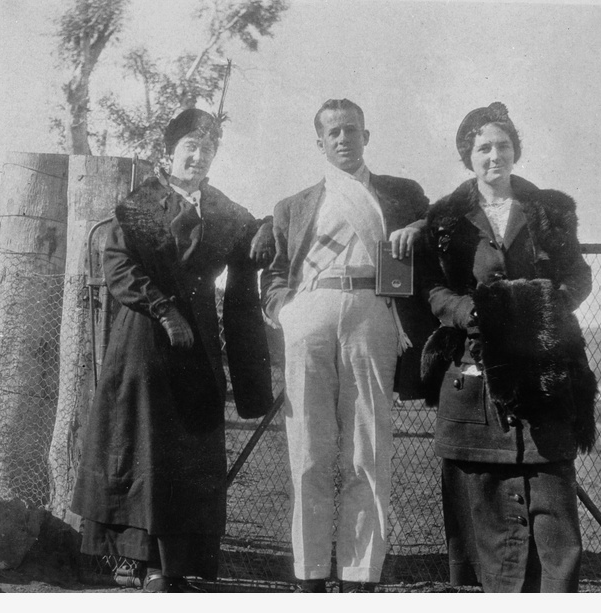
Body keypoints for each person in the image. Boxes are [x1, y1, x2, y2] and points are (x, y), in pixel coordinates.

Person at [71, 108, 274, 593]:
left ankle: (176, 567)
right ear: (170, 152)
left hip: (198, 342)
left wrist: (269, 225)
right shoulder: (141, 205)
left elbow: (257, 238)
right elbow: (119, 268)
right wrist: (164, 311)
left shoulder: (223, 210)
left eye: (208, 149)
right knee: (143, 445)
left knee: (189, 449)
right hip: (144, 339)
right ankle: (138, 562)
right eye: (191, 147)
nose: (199, 157)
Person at [418, 102, 598, 592]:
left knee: (551, 499)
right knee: (481, 504)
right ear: (468, 156)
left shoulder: (551, 210)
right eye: (482, 148)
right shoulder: (445, 219)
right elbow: (433, 289)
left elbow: (578, 278)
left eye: (502, 145)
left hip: (544, 368)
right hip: (474, 369)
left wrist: (541, 309)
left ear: (515, 150)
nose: (494, 155)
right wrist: (466, 312)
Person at [260, 98, 436, 593]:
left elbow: (441, 227)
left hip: (371, 310)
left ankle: (361, 575)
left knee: (368, 446)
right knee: (309, 451)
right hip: (310, 313)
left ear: (366, 135)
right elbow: (275, 269)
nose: (343, 139)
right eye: (333, 132)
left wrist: (418, 228)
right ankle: (311, 573)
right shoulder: (293, 205)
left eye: (352, 130)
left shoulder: (400, 194)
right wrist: (283, 312)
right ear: (319, 142)